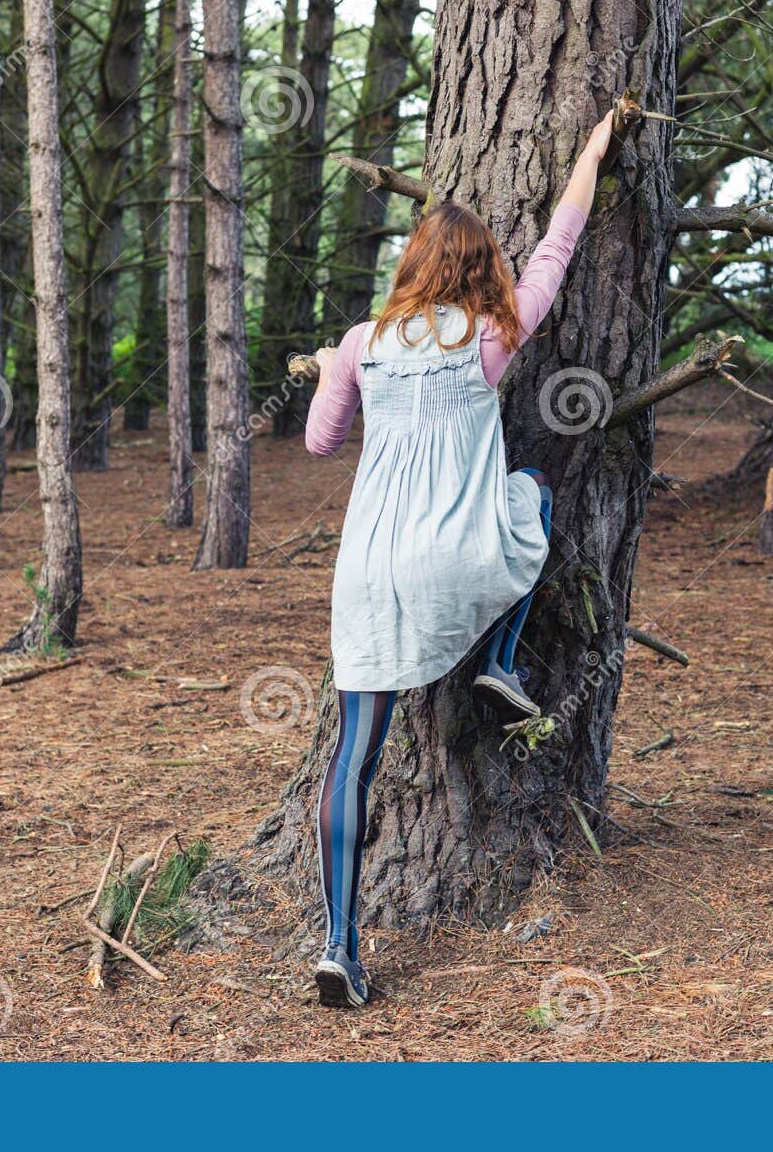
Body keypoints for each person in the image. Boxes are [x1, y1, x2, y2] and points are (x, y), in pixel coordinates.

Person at [302, 113, 616, 1008]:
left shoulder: (363, 343)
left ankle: (339, 944)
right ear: (482, 272)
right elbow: (557, 248)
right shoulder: (492, 333)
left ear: (410, 266)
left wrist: (330, 370)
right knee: (533, 489)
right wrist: (591, 153)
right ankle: (502, 661)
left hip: (370, 571)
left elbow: (321, 443)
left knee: (354, 758)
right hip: (458, 555)